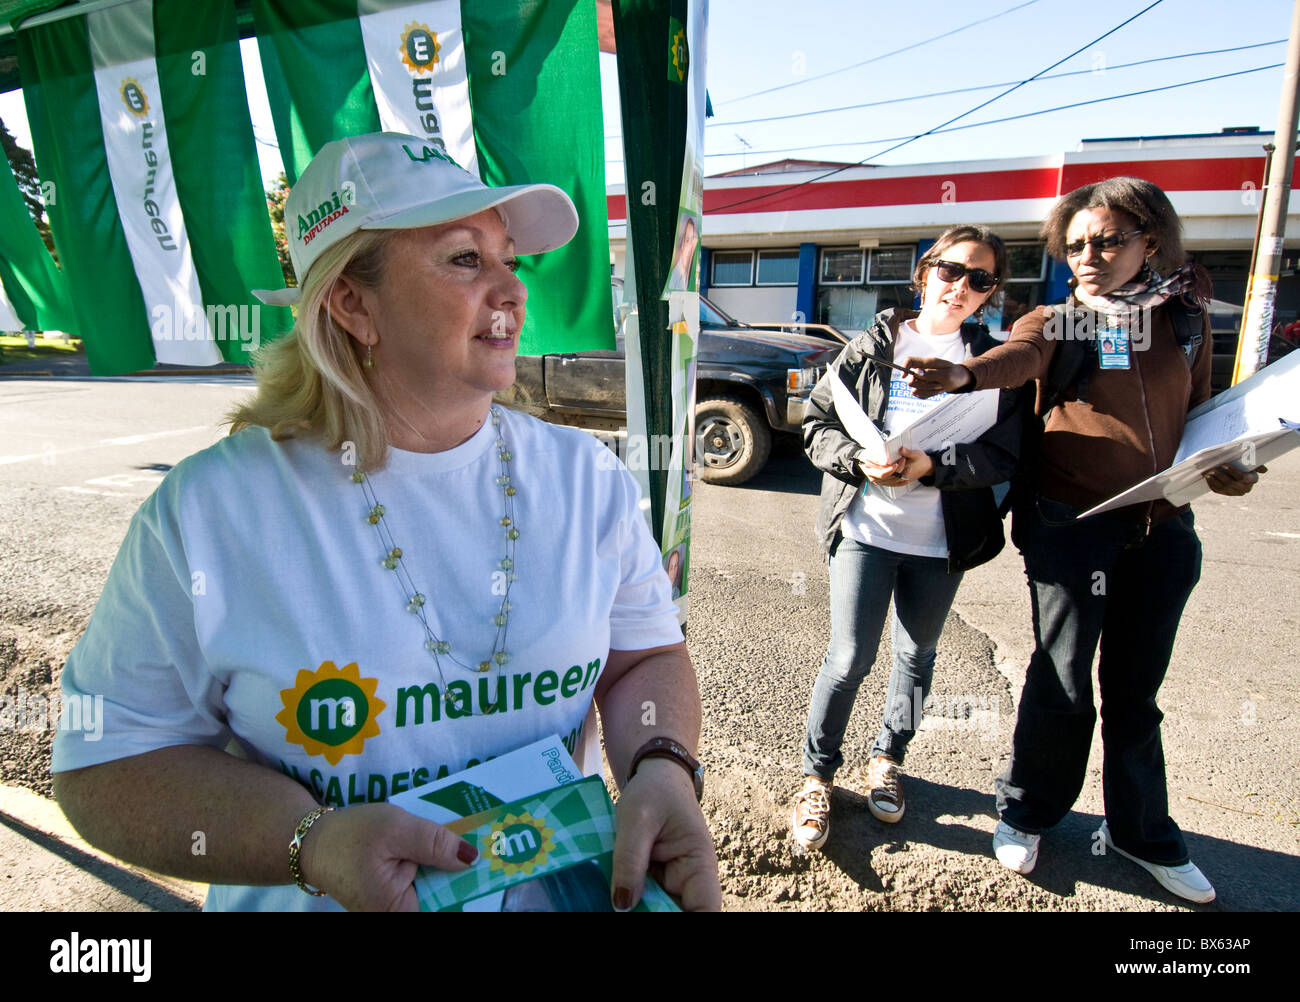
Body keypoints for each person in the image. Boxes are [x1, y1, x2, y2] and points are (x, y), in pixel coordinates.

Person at [50, 132, 720, 912]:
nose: (512, 290)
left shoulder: (587, 479)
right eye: (466, 259)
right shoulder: (210, 512)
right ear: (352, 303)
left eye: (510, 258)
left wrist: (664, 764)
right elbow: (106, 764)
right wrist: (312, 841)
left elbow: (644, 659)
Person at [906, 177, 1266, 904]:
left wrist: (1230, 467)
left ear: (1150, 242)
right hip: (1070, 530)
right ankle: (1028, 811)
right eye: (1075, 245)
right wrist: (963, 373)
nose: (1088, 255)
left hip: (1162, 529)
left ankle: (1141, 833)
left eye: (1107, 240)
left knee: (1136, 694)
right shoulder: (1062, 320)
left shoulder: (1184, 322)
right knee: (1063, 682)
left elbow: (1199, 418)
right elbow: (1021, 357)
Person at [793, 226, 1027, 850]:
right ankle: (818, 774)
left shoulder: (993, 365)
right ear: (925, 273)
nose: (961, 287)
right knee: (849, 659)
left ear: (990, 294)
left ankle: (887, 760)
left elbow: (1005, 456)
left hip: (941, 543)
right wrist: (855, 460)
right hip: (866, 530)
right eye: (952, 270)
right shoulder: (869, 346)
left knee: (917, 656)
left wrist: (936, 468)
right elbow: (817, 424)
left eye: (979, 279)